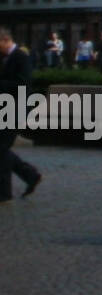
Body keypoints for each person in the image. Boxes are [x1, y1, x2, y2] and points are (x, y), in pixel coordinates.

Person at [0, 27, 42, 202]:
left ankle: (4, 193)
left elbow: (23, 85)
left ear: (5, 40)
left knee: (0, 149)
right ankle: (30, 174)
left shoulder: (21, 57)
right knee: (1, 149)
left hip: (16, 109)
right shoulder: (4, 58)